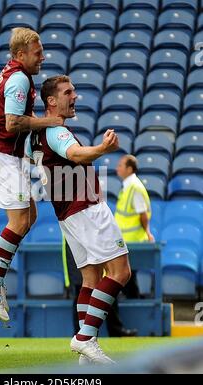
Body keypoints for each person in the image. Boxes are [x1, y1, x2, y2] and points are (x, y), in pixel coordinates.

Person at [25, 75, 131, 364]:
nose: (75, 96)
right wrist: (101, 150)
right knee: (121, 273)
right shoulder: (56, 132)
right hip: (86, 208)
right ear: (51, 101)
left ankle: (86, 352)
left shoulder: (35, 136)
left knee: (91, 278)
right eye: (68, 92)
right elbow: (76, 154)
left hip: (67, 214)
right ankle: (84, 338)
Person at [0, 27, 63, 323]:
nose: (42, 57)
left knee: (30, 216)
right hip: (1, 154)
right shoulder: (19, 78)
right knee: (19, 221)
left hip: (6, 154)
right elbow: (12, 123)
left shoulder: (16, 74)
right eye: (37, 52)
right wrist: (48, 122)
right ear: (20, 54)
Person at [64, 238, 138, 337]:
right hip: (86, 231)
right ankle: (83, 336)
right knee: (107, 279)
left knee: (101, 284)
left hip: (84, 232)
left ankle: (86, 337)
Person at [115, 155, 155, 243]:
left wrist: (148, 233)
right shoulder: (128, 187)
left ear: (129, 169)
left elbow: (143, 214)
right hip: (125, 241)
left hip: (134, 241)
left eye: (120, 166)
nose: (117, 168)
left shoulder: (135, 188)